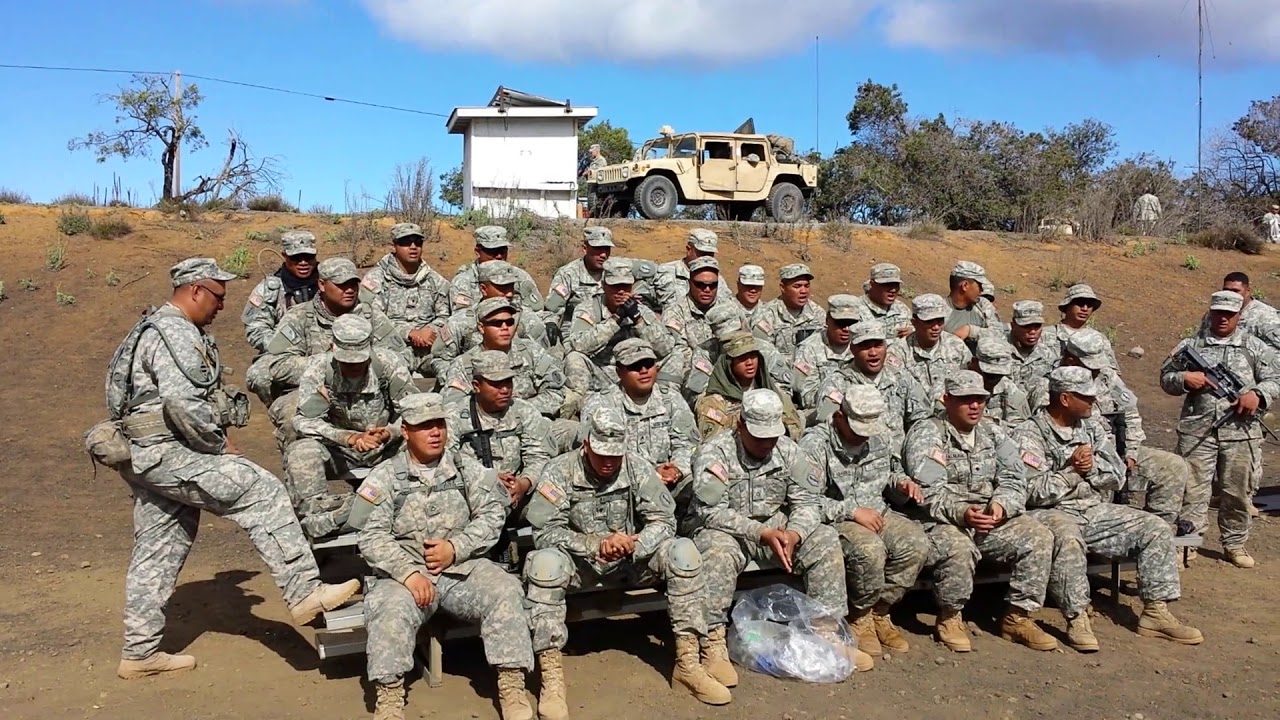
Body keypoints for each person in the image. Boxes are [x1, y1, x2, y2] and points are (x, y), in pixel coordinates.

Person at [108, 258, 359, 679]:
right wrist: (218, 445)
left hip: (145, 453)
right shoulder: (174, 332)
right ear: (195, 290)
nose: (222, 306)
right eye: (218, 296)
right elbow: (181, 403)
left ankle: (139, 653)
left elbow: (117, 395)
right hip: (170, 452)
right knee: (262, 490)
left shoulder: (148, 329)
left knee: (159, 546)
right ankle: (305, 591)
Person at [524, 408, 732, 718]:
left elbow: (664, 520)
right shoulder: (559, 471)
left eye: (615, 454)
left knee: (683, 552)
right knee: (544, 565)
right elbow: (544, 532)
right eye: (602, 454)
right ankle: (551, 679)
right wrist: (595, 544)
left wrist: (635, 544)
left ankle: (688, 664)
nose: (609, 462)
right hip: (580, 564)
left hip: (630, 560)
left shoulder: (636, 466)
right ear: (586, 445)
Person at [351, 392, 535, 720]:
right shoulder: (386, 476)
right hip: (406, 577)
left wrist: (457, 548)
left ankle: (512, 687)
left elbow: (493, 513)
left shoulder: (465, 467)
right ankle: (390, 699)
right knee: (388, 607)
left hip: (461, 569)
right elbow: (370, 536)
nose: (435, 432)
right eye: (425, 426)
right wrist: (407, 573)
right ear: (405, 431)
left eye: (439, 424)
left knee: (505, 589)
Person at [1014, 367, 1202, 651]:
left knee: (1154, 527)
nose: (1093, 401)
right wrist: (1071, 472)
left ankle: (1155, 612)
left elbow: (1117, 474)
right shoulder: (1029, 434)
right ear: (1065, 398)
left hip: (1090, 508)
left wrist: (1090, 470)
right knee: (1067, 536)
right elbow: (1031, 492)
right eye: (1086, 397)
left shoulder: (1090, 427)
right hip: (1049, 513)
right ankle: (1077, 617)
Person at [691, 389, 873, 675]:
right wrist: (760, 532)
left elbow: (808, 502)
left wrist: (795, 533)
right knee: (716, 551)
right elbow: (710, 512)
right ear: (740, 425)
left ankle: (826, 630)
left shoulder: (787, 451)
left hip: (777, 526)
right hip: (731, 530)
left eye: (772, 436)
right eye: (759, 437)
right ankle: (712, 640)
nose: (767, 444)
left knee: (824, 539)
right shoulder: (715, 453)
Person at [902, 371, 1057, 653]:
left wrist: (1001, 506)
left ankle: (1018, 617)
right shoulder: (928, 433)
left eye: (980, 399)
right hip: (941, 519)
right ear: (947, 400)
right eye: (966, 400)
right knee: (959, 547)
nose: (974, 406)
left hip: (988, 516)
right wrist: (963, 513)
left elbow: (1015, 478)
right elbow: (929, 493)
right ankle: (950, 616)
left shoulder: (993, 432)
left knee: (1038, 537)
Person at [800, 385, 929, 656]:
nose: (863, 436)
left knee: (916, 543)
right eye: (857, 429)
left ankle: (880, 611)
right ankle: (860, 616)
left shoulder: (877, 437)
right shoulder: (816, 444)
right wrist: (852, 511)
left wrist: (902, 483)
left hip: (877, 511)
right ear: (840, 418)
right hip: (836, 518)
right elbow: (806, 501)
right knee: (869, 549)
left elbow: (890, 471)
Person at [1161, 290, 1280, 568]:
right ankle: (1186, 545)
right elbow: (1165, 377)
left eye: (1229, 314)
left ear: (1239, 315)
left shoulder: (1254, 347)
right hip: (1197, 431)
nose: (1223, 318)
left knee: (1237, 490)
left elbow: (1275, 378)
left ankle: (1235, 544)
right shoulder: (1190, 345)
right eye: (1218, 313)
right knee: (1192, 490)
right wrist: (1184, 378)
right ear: (1211, 313)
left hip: (1241, 433)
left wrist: (1258, 395)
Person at [244, 258, 403, 450]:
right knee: (292, 417)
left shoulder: (371, 315)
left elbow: (402, 356)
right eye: (341, 285)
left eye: (353, 284)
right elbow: (276, 364)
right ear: (321, 284)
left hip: (365, 389)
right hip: (314, 390)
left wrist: (362, 362)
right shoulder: (299, 316)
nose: (350, 290)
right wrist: (326, 366)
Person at [285, 314, 415, 540]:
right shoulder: (319, 369)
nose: (353, 366)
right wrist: (347, 437)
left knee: (424, 441)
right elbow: (304, 421)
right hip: (339, 450)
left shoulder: (389, 364)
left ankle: (407, 508)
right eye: (346, 361)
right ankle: (317, 516)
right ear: (332, 348)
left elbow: (413, 410)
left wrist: (389, 432)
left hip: (386, 448)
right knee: (301, 451)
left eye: (359, 360)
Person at [582, 338, 700, 521]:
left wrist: (677, 469)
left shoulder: (671, 399)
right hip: (622, 485)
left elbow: (688, 444)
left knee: (700, 483)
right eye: (635, 366)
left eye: (648, 364)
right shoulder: (601, 404)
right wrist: (650, 474)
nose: (644, 371)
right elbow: (596, 456)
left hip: (669, 483)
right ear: (619, 372)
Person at [562, 258, 675, 403]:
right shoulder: (587, 309)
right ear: (604, 286)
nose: (621, 291)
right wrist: (615, 319)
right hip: (602, 372)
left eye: (625, 286)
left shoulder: (641, 310)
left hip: (636, 373)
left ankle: (667, 400)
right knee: (574, 357)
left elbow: (665, 348)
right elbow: (579, 345)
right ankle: (580, 404)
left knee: (676, 353)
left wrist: (638, 320)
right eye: (615, 286)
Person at [814, 321, 933, 453]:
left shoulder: (901, 378)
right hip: (860, 459)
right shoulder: (837, 383)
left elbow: (922, 420)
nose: (873, 353)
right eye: (865, 347)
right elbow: (826, 427)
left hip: (898, 458)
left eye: (878, 345)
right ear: (852, 349)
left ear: (886, 346)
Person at [441, 297, 568, 419]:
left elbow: (556, 392)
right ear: (481, 327)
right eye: (496, 323)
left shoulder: (531, 351)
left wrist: (517, 411)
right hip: (484, 428)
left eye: (509, 322)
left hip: (530, 422)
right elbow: (453, 408)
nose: (505, 328)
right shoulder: (465, 364)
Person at [431, 261, 551, 381]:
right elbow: (440, 359)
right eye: (502, 287)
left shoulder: (528, 320)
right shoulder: (461, 322)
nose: (509, 293)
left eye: (511, 286)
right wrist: (459, 380)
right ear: (483, 289)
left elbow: (544, 360)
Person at [360, 222, 452, 376]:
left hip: (427, 349)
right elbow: (372, 319)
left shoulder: (435, 280)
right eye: (405, 242)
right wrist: (409, 332)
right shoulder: (376, 279)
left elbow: (446, 316)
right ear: (393, 246)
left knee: (454, 369)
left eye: (418, 242)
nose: (413, 247)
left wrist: (430, 330)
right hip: (390, 348)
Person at [694, 332, 802, 442]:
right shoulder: (713, 402)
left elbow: (795, 429)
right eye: (742, 358)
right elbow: (713, 441)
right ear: (729, 363)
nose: (749, 362)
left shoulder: (774, 394)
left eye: (753, 356)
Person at [241, 230, 319, 354]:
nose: (303, 263)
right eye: (296, 258)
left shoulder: (331, 283)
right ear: (284, 255)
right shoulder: (269, 289)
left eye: (309, 257)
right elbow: (256, 329)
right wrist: (283, 347)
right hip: (285, 352)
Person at [886, 293, 972, 406]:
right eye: (929, 321)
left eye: (940, 320)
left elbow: (970, 381)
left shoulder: (957, 346)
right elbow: (894, 393)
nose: (936, 327)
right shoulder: (898, 352)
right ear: (914, 322)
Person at [449, 225, 544, 314]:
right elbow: (462, 319)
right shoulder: (463, 281)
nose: (499, 256)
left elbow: (538, 312)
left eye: (503, 251)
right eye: (493, 251)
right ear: (478, 252)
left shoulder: (521, 276)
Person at [545, 226, 616, 336]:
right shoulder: (568, 274)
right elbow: (552, 308)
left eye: (607, 249)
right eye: (598, 249)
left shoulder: (617, 271)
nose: (603, 255)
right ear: (585, 248)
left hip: (611, 331)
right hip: (577, 334)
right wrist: (551, 323)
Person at [793, 294, 859, 411]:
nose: (846, 329)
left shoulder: (864, 346)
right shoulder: (809, 348)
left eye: (852, 323)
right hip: (822, 411)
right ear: (827, 320)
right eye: (840, 323)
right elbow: (806, 396)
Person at [750, 263, 826, 358]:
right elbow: (762, 353)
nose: (803, 291)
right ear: (783, 287)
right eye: (797, 286)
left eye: (806, 286)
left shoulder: (818, 314)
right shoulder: (766, 315)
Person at [653, 228, 733, 311]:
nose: (706, 259)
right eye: (702, 254)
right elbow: (669, 307)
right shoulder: (667, 271)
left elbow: (727, 304)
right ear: (689, 250)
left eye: (710, 255)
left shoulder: (715, 277)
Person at [1044, 284, 1117, 369]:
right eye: (1080, 303)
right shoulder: (1045, 335)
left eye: (1089, 305)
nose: (1085, 309)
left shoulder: (1099, 339)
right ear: (1067, 305)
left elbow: (1112, 371)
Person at [966, 334, 1031, 428]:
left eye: (999, 375)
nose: (993, 380)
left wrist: (991, 422)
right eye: (989, 374)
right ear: (974, 362)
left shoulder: (1008, 388)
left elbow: (1021, 427)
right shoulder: (957, 385)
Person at [942, 261, 1001, 340]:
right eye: (979, 285)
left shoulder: (982, 305)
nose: (982, 290)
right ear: (965, 285)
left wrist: (971, 331)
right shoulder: (940, 310)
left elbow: (999, 333)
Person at [851, 263, 913, 338]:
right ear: (872, 284)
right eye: (887, 285)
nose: (893, 290)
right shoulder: (855, 310)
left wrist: (913, 335)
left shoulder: (902, 309)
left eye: (896, 285)